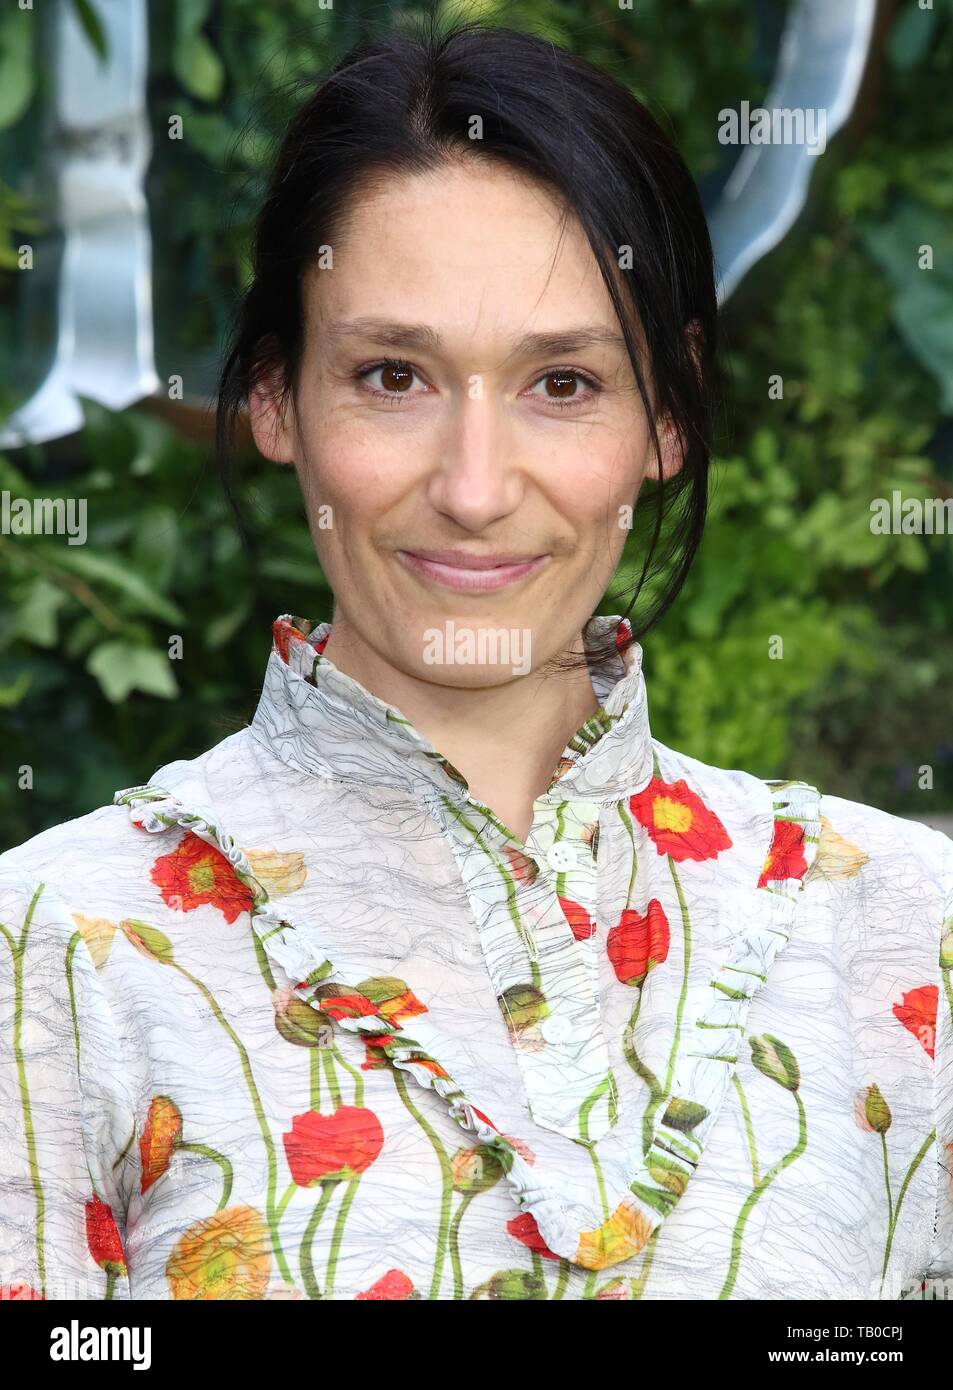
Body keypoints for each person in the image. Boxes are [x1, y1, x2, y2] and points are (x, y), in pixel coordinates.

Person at [1, 17, 950, 1303]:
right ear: (276, 396)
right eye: (394, 375)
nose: (473, 486)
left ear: (665, 417)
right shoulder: (53, 949)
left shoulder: (903, 926)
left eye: (561, 383)